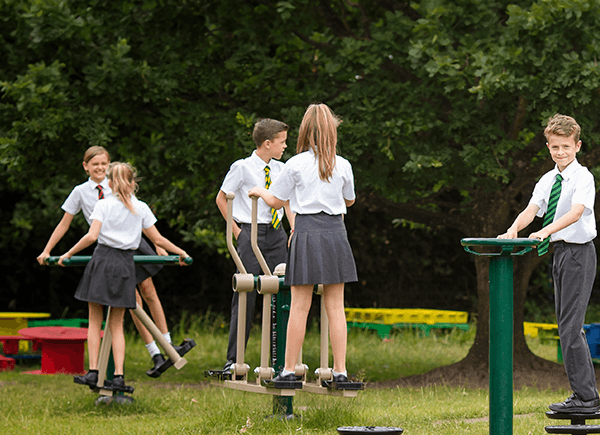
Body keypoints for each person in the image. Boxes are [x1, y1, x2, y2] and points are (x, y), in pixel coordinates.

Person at [37, 147, 193, 378]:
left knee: (148, 291)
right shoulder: (82, 192)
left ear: (109, 167)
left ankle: (168, 345)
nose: (100, 168)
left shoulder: (119, 184)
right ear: (85, 166)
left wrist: (160, 247)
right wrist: (48, 250)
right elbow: (65, 223)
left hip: (134, 241)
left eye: (104, 164)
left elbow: (144, 222)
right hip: (108, 245)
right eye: (95, 164)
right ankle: (155, 353)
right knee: (133, 301)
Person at [249, 103, 362, 391]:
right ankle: (340, 371)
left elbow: (275, 201)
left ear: (305, 132)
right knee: (336, 306)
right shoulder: (343, 164)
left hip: (308, 231)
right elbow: (350, 200)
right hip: (336, 231)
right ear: (330, 132)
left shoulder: (295, 164)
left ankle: (288, 371)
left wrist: (260, 190)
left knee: (300, 304)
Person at [499, 114, 600, 414]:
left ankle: (586, 398)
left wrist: (546, 230)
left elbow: (576, 212)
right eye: (555, 147)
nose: (560, 152)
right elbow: (532, 209)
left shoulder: (583, 178)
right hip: (559, 254)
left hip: (579, 254)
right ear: (548, 146)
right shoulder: (548, 179)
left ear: (577, 145)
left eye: (566, 147)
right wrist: (514, 228)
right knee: (566, 327)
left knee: (571, 328)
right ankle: (581, 393)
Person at [211, 118, 292, 378]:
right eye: (282, 142)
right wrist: (237, 231)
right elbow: (221, 198)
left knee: (281, 294)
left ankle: (279, 362)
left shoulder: (283, 168)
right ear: (267, 143)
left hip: (277, 234)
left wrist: (293, 231)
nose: (285, 146)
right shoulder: (242, 167)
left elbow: (287, 201)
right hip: (251, 231)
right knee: (246, 293)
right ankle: (234, 361)